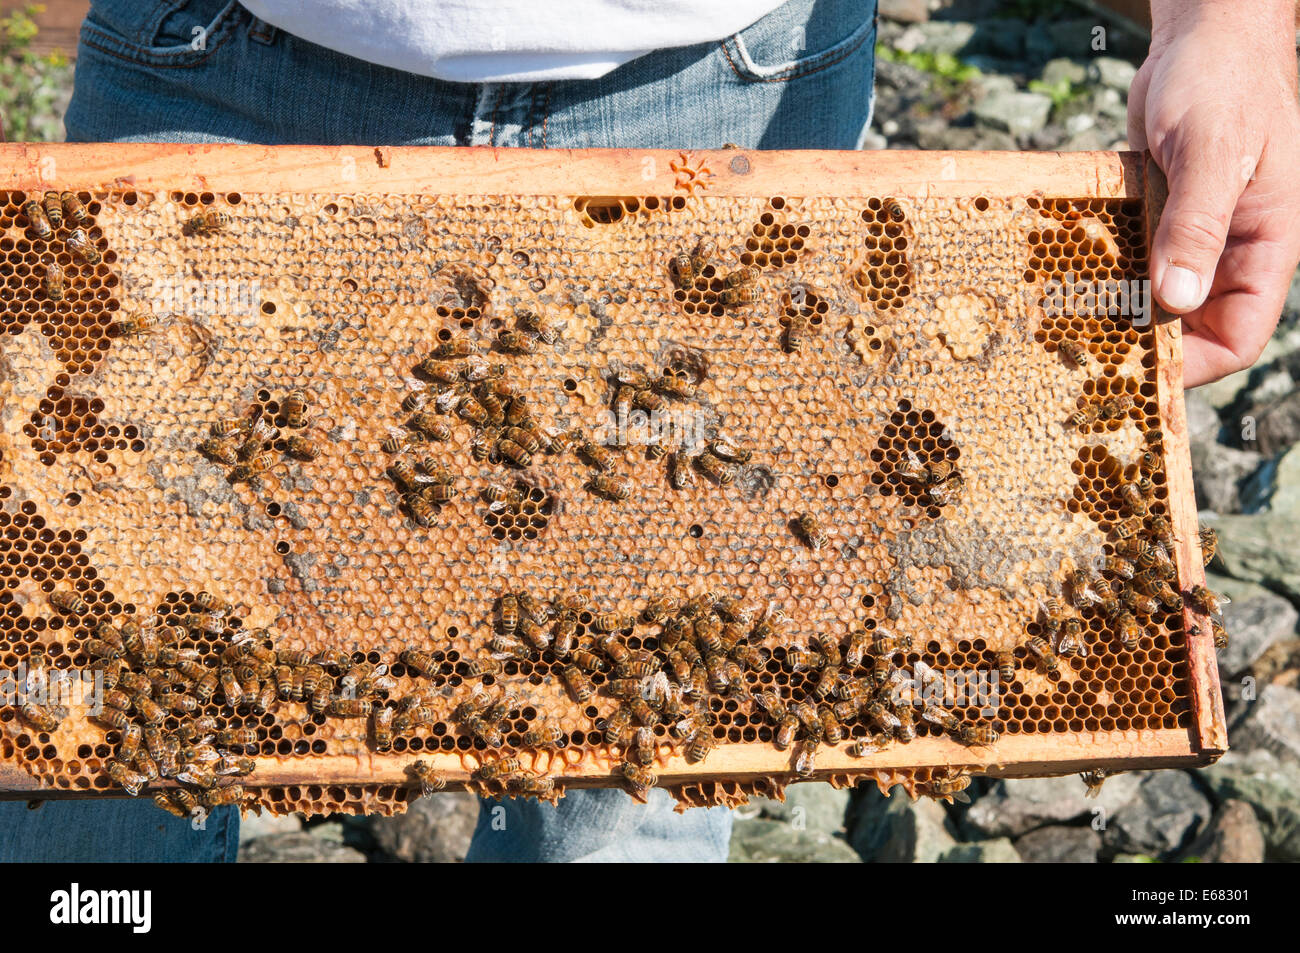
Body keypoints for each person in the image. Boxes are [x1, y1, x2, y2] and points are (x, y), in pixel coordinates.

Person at [2, 0, 1295, 863]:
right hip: (222, 61)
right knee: (98, 760)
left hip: (733, 82)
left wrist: (1231, 17)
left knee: (634, 750)